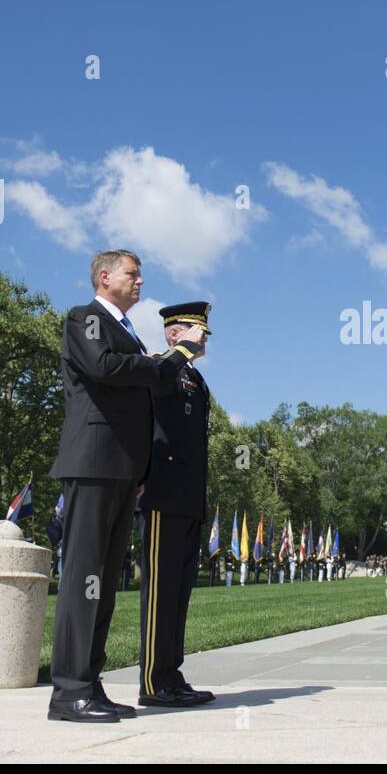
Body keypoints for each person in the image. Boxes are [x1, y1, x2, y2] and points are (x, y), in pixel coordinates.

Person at [47, 250, 193, 724]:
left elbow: (132, 377)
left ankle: (90, 683)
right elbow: (105, 368)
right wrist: (165, 362)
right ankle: (68, 691)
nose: (140, 281)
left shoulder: (129, 330)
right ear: (105, 276)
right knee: (82, 579)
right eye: (133, 274)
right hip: (93, 462)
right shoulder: (84, 318)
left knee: (103, 584)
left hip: (121, 468)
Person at [136, 302, 217, 709]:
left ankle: (172, 672)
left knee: (180, 591)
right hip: (162, 494)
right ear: (173, 333)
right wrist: (177, 353)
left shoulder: (195, 379)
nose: (203, 338)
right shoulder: (158, 366)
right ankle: (153, 680)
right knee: (160, 590)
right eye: (195, 330)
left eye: (205, 332)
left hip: (188, 496)